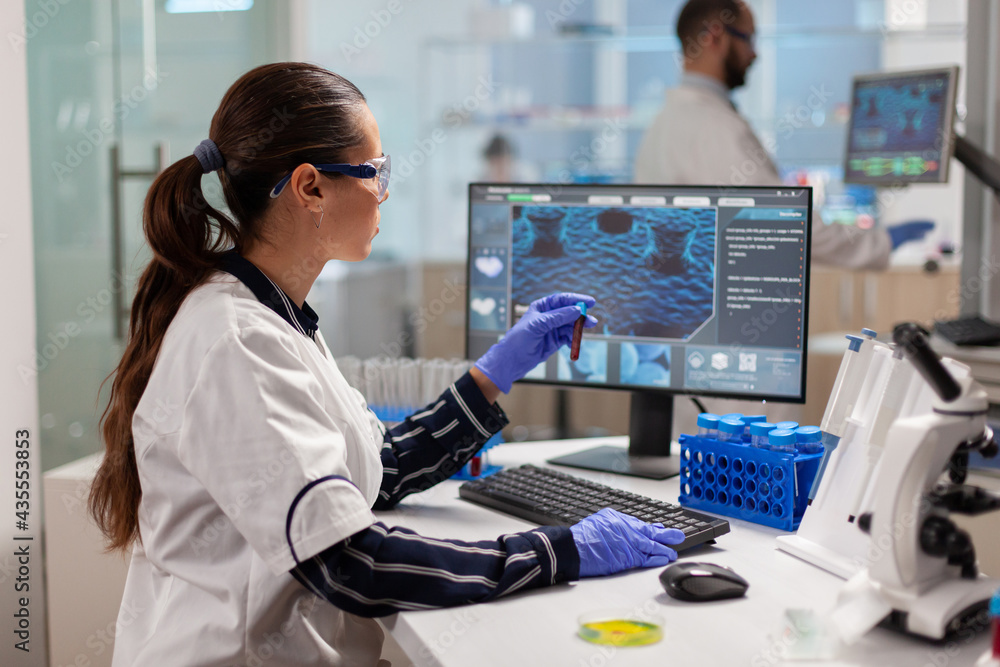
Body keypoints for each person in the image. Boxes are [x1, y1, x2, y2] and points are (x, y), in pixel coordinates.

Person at [89, 62, 686, 667]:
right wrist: (557, 552)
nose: (385, 190)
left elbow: (378, 469)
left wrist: (493, 374)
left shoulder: (276, 316)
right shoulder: (237, 342)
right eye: (375, 171)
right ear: (310, 187)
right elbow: (355, 563)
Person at [634, 0, 934, 271]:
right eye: (748, 38)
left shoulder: (663, 123)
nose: (754, 53)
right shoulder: (714, 127)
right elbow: (787, 224)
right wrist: (880, 243)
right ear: (715, 35)